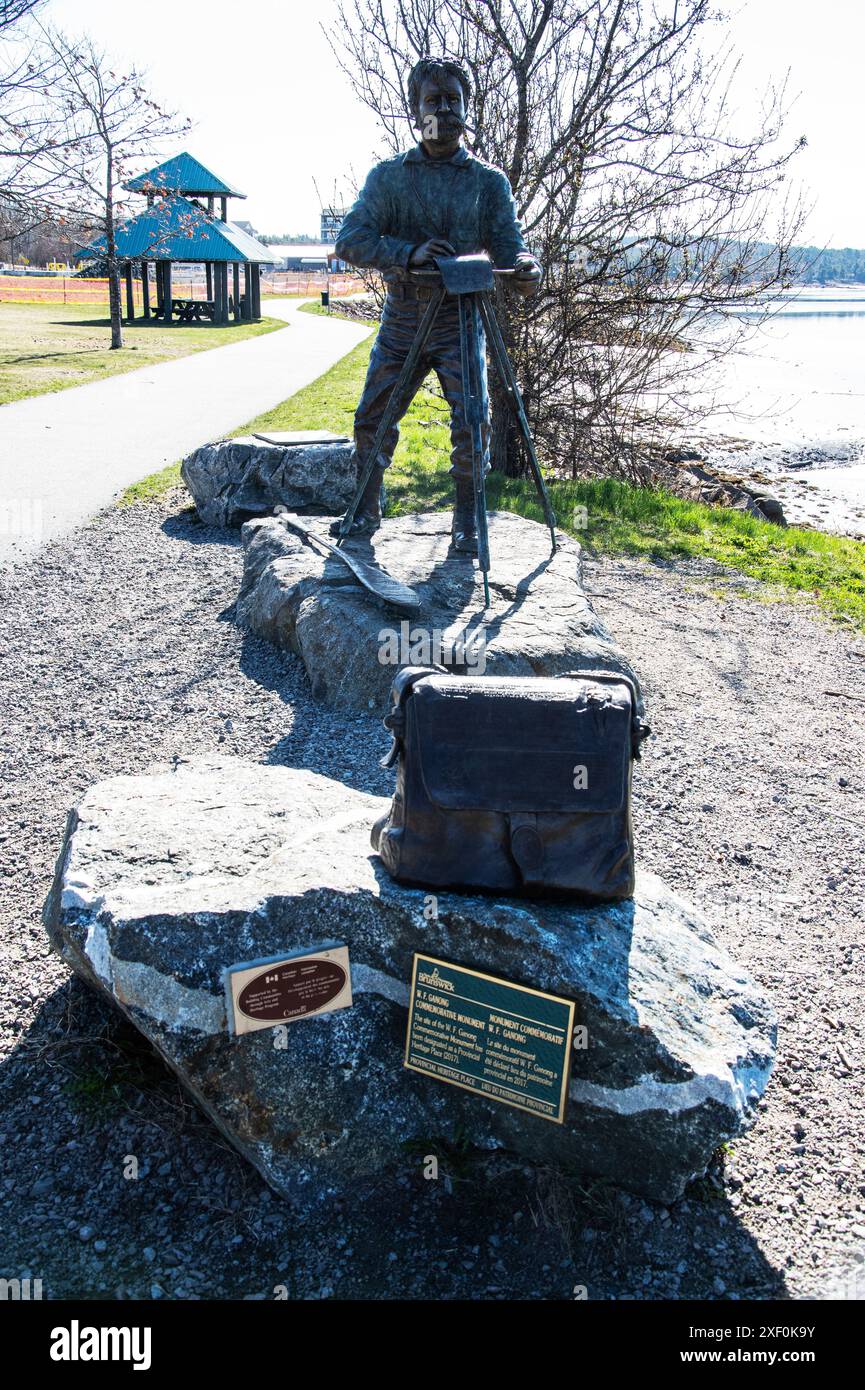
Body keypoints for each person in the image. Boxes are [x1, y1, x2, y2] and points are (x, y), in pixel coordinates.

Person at [332, 54, 542, 553]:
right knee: (373, 417)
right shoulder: (388, 178)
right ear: (414, 109)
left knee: (473, 420)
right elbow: (350, 241)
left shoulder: (488, 183)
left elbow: (510, 246)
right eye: (433, 101)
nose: (444, 110)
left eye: (453, 100)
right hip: (404, 316)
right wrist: (408, 253)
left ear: (468, 109)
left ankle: (468, 518)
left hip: (460, 318)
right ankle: (364, 505)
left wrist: (527, 266)